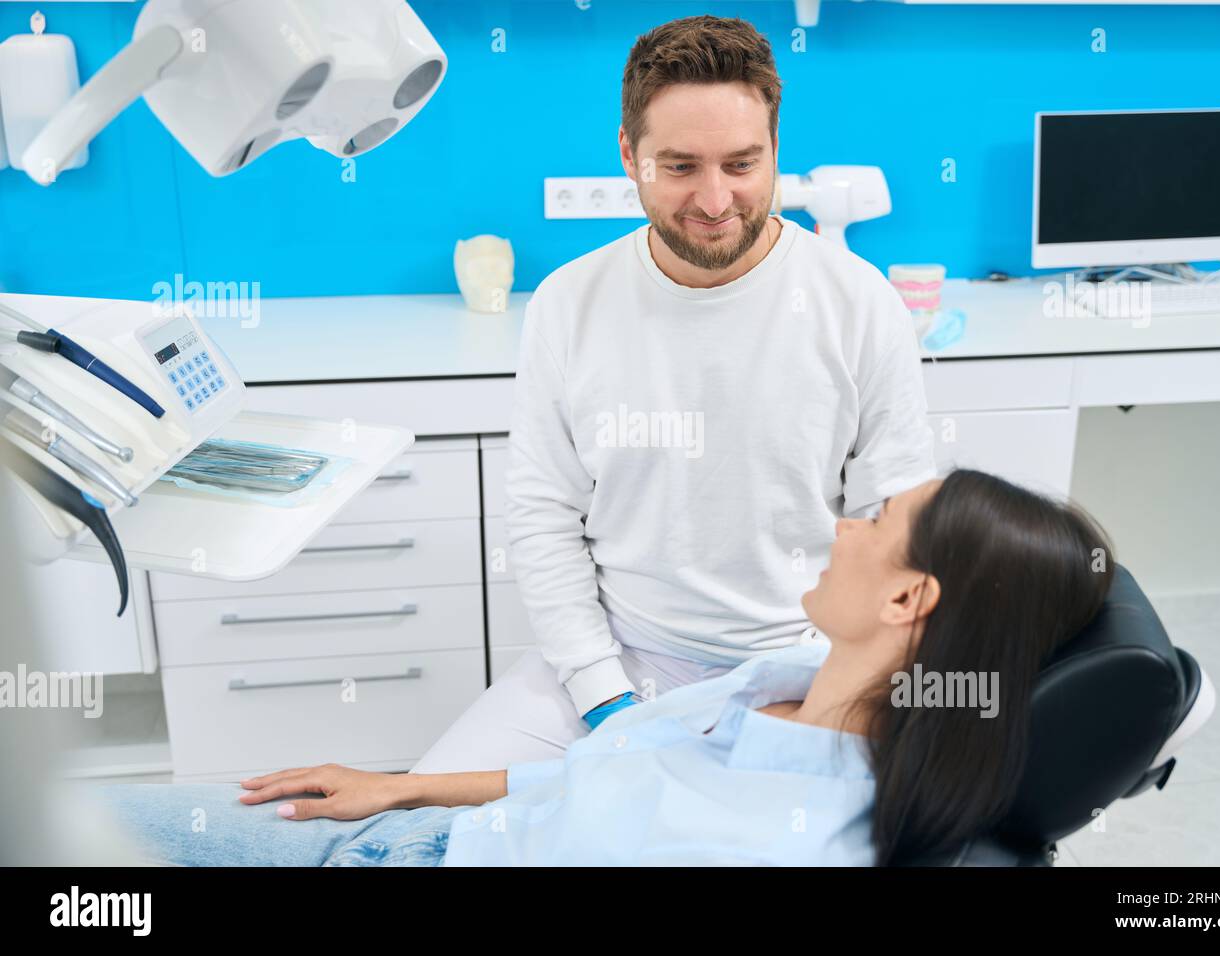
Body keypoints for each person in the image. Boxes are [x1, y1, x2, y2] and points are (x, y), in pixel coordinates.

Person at [88, 469, 1116, 867]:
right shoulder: (785, 679)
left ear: (906, 599)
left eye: (878, 520)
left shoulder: (787, 839)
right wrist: (399, 783)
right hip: (422, 832)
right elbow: (602, 766)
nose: (844, 525)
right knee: (68, 830)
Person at [410, 14, 937, 775]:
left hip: (804, 664)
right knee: (430, 820)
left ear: (776, 151)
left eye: (743, 164)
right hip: (618, 660)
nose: (716, 199)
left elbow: (896, 527)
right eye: (681, 165)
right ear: (630, 155)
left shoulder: (857, 302)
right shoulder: (569, 305)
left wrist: (840, 693)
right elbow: (544, 516)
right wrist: (608, 703)